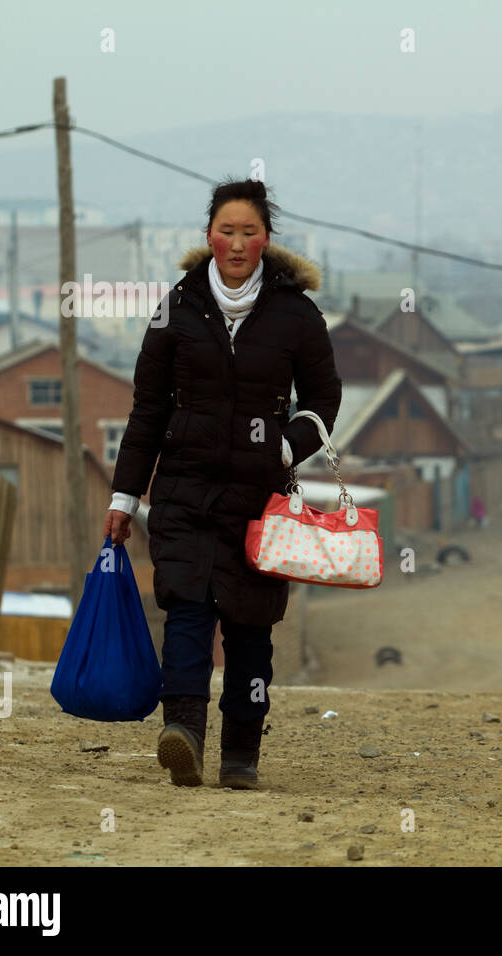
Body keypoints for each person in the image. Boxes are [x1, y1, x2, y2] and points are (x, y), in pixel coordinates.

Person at [104, 179, 341, 790]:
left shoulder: (296, 314)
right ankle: (182, 730)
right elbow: (147, 409)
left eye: (249, 232)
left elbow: (323, 398)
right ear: (208, 236)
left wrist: (289, 445)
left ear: (266, 239)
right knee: (185, 607)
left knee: (249, 624)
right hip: (182, 488)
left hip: (259, 496)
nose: (236, 244)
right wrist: (124, 498)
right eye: (225, 231)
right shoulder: (175, 309)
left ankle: (241, 750)